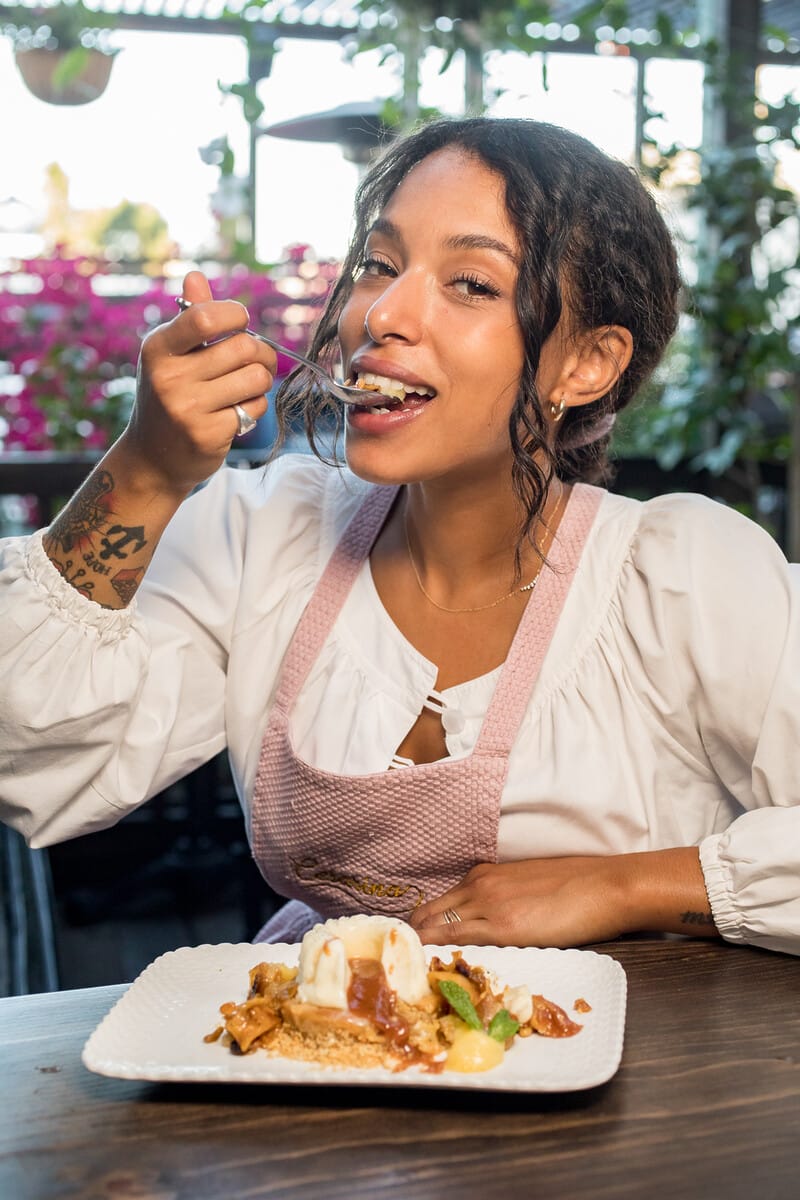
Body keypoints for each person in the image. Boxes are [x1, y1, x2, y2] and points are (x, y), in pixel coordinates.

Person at [1, 117, 798, 956]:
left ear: (586, 364)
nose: (382, 313)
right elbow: (29, 752)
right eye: (379, 265)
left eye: (471, 284)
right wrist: (151, 468)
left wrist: (623, 885)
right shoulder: (267, 532)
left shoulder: (684, 580)